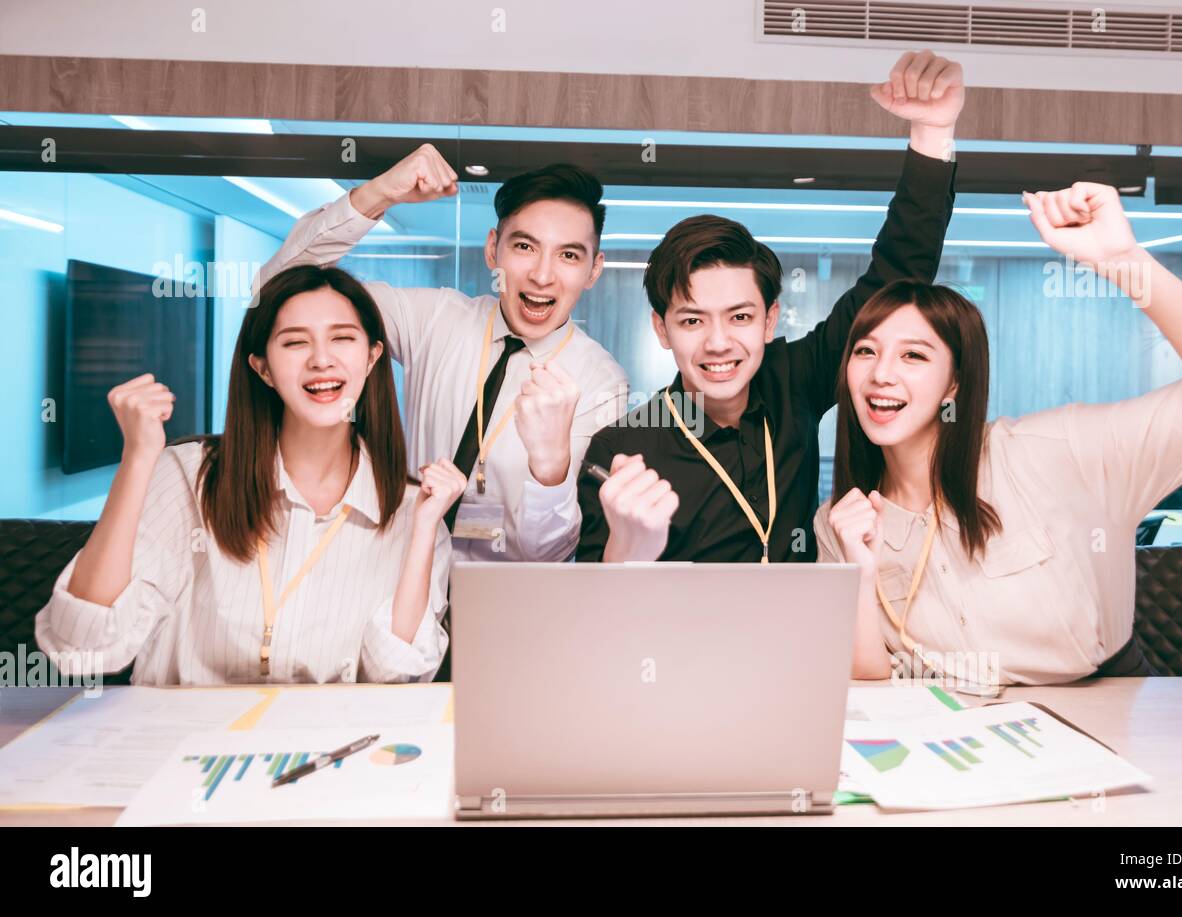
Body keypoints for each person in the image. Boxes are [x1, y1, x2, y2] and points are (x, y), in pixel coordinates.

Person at [816, 183, 1182, 685]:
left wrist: (1125, 261)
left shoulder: (1054, 452)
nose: (881, 373)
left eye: (913, 355)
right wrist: (859, 571)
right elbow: (869, 680)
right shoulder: (841, 520)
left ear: (955, 383)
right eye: (865, 351)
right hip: (947, 732)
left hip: (1098, 713)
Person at [577, 50, 963, 564]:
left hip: (802, 638)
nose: (718, 343)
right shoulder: (621, 450)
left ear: (770, 320)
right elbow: (598, 613)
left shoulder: (793, 380)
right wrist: (628, 544)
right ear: (662, 328)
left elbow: (895, 279)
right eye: (692, 320)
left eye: (740, 317)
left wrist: (932, 135)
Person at [36, 265, 464, 685]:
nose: (321, 359)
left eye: (342, 338)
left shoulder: (413, 510)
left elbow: (395, 678)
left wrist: (424, 529)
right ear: (262, 368)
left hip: (324, 749)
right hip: (180, 743)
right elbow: (82, 647)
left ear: (372, 357)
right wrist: (138, 459)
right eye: (295, 343)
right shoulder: (190, 476)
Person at [257, 153, 626, 563]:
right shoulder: (434, 319)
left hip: (507, 607)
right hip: (399, 581)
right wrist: (378, 194)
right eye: (524, 246)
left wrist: (551, 468)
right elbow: (277, 295)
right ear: (493, 250)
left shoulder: (600, 382)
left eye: (568, 256)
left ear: (594, 271)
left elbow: (546, 554)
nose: (542, 275)